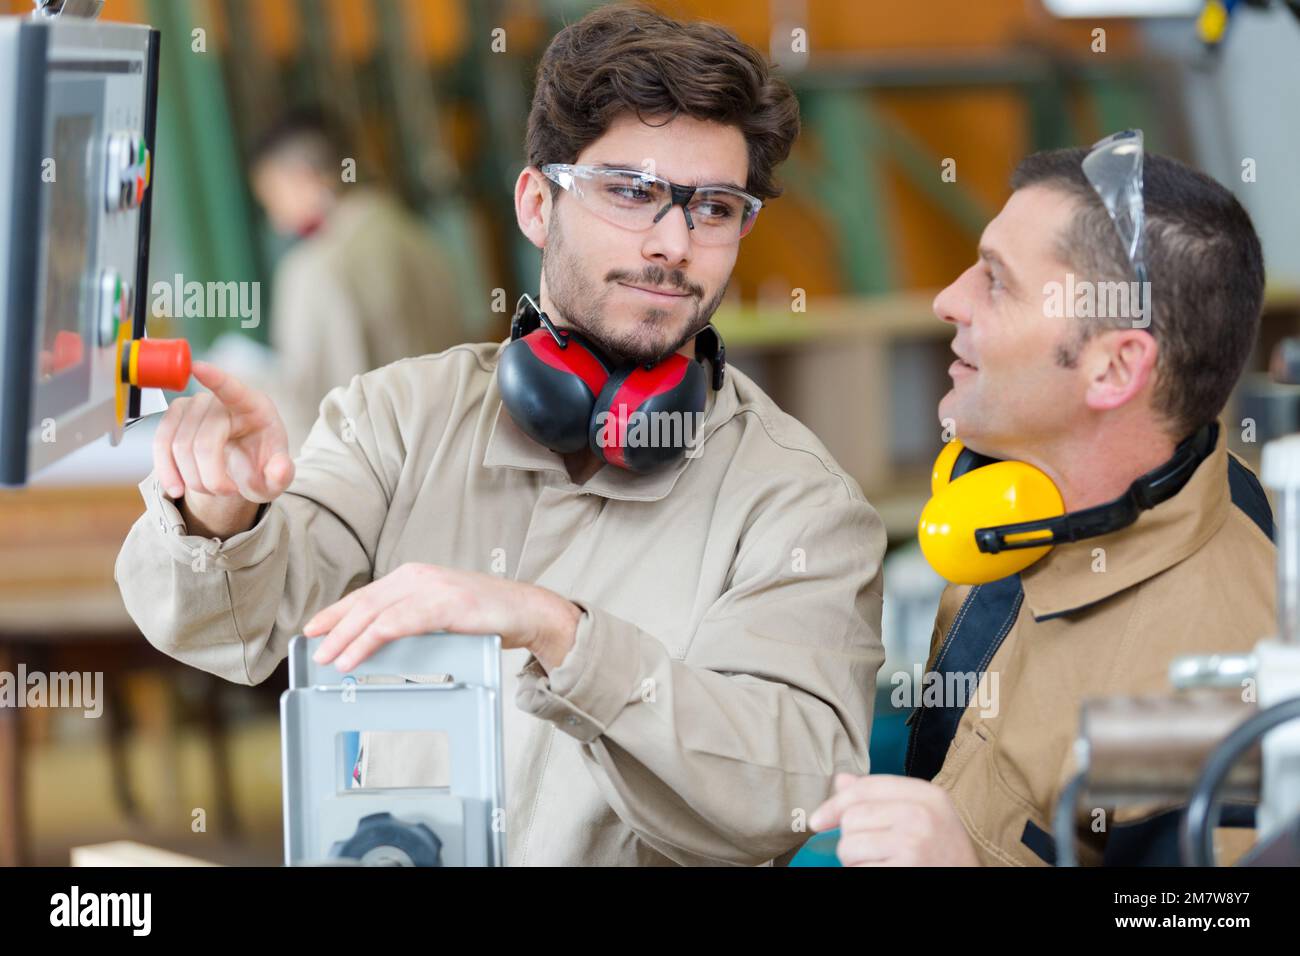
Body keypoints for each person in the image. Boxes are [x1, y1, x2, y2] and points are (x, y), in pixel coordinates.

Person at [115, 5, 885, 866]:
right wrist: (223, 517)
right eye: (631, 192)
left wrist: (564, 635)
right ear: (535, 203)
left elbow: (795, 795)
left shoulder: (802, 507)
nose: (675, 243)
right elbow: (232, 628)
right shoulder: (397, 418)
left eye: (713, 207)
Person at [811, 138, 1275, 866]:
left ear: (1115, 366)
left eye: (996, 282)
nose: (948, 299)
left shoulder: (1192, 693)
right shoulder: (1016, 500)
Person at [248, 108, 467, 453]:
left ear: (304, 178)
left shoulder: (313, 269)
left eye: (273, 197)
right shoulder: (423, 240)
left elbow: (308, 423)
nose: (277, 222)